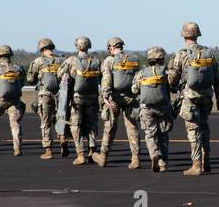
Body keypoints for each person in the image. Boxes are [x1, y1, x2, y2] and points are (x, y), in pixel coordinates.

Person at [166, 22, 219, 175]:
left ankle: (196, 164)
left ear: (184, 35)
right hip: (206, 96)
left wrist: (172, 88)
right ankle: (207, 161)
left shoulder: (181, 54)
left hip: (190, 97)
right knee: (204, 127)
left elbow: (172, 77)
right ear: (198, 34)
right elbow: (217, 78)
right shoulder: (209, 53)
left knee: (193, 130)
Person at [91, 37, 141, 168]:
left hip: (114, 99)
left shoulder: (109, 60)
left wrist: (106, 97)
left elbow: (106, 79)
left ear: (111, 47)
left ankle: (103, 156)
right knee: (132, 128)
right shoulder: (133, 59)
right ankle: (135, 159)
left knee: (110, 128)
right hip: (130, 98)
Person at [59, 36, 102, 165]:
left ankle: (80, 154)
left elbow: (60, 74)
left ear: (77, 46)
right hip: (93, 98)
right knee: (92, 124)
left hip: (77, 99)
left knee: (75, 125)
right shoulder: (96, 61)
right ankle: (92, 150)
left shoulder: (71, 60)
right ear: (89, 46)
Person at [133, 46, 172, 172]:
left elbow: (134, 90)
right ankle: (163, 162)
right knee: (163, 135)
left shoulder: (141, 73)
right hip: (164, 107)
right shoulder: (165, 72)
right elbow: (174, 86)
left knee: (150, 134)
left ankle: (155, 155)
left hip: (147, 109)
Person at [27, 38, 64, 159]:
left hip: (45, 95)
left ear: (41, 49)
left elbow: (30, 79)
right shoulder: (61, 60)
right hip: (60, 96)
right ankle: (63, 139)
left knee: (45, 123)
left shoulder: (38, 61)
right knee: (61, 120)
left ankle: (48, 150)